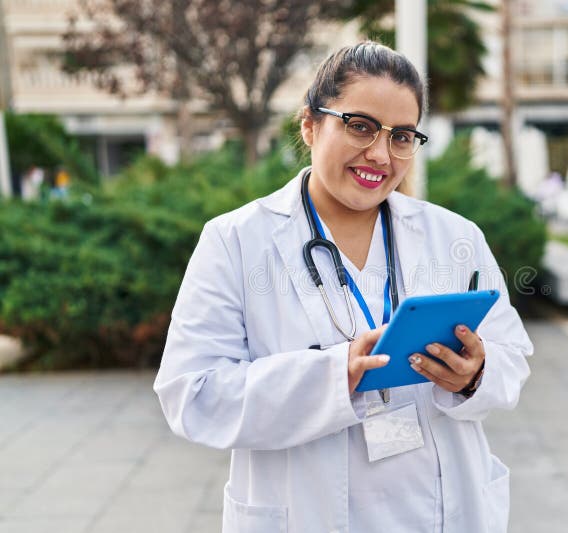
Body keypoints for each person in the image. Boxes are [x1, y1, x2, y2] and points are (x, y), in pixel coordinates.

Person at [154, 42, 533, 533]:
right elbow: (193, 394)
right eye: (360, 126)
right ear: (310, 124)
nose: (379, 153)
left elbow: (513, 357)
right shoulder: (235, 242)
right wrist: (334, 375)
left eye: (401, 136)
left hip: (439, 510)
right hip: (304, 514)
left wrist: (476, 373)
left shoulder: (456, 238)